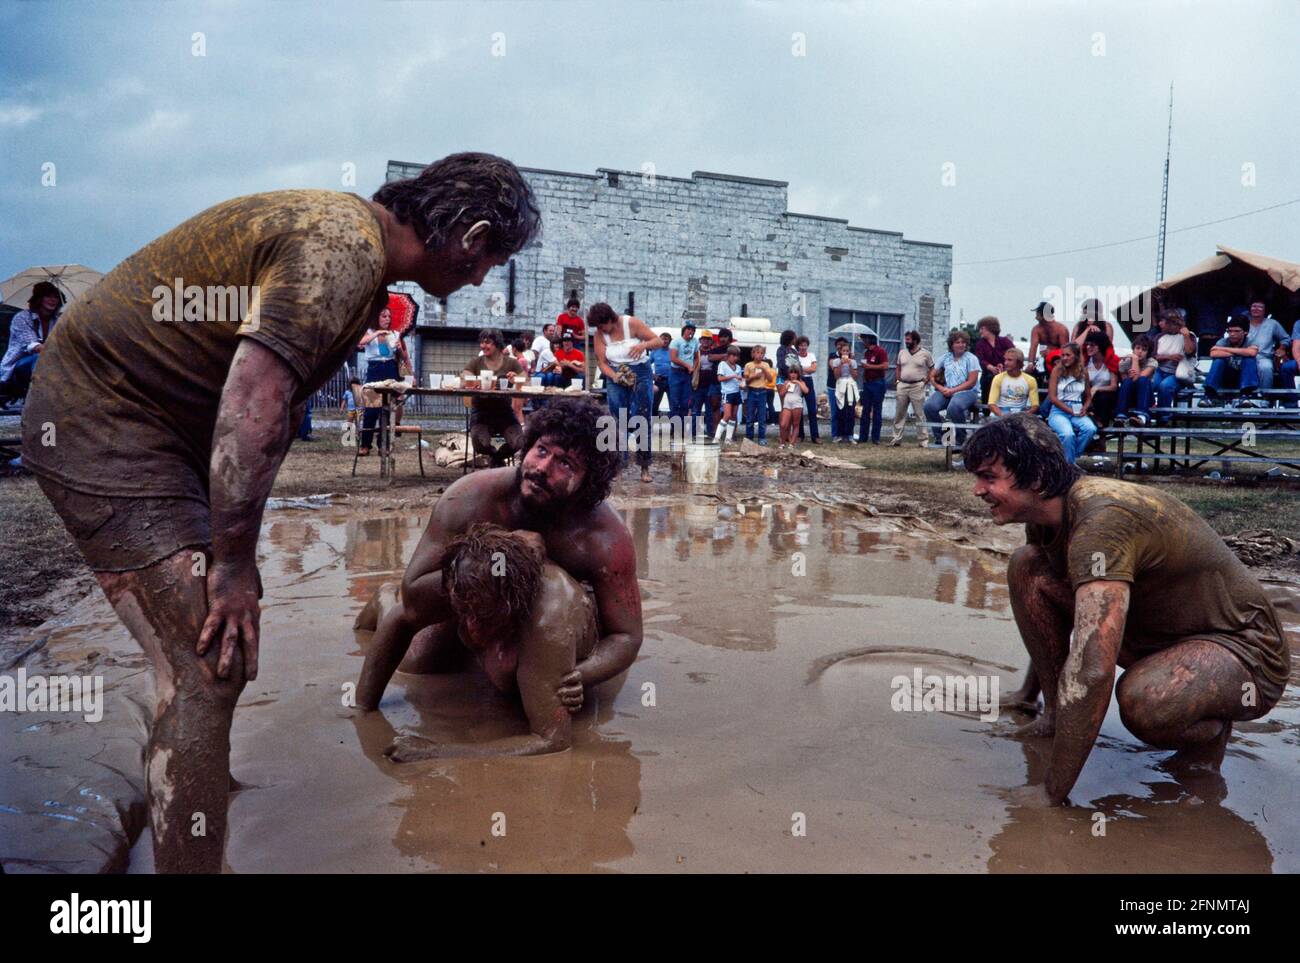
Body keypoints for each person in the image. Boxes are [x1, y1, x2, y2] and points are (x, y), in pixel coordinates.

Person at [21, 151, 540, 873]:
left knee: (196, 655)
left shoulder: (350, 241)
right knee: (209, 658)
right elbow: (253, 403)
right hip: (107, 420)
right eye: (491, 260)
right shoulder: (344, 249)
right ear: (472, 234)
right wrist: (233, 563)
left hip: (148, 423)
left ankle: (192, 794)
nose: (481, 279)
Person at [964, 414, 1289, 805]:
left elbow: (1093, 667)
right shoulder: (1047, 515)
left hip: (1244, 650)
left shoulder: (1101, 521)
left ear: (1033, 479)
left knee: (1144, 701)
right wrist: (1035, 697)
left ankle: (1209, 737)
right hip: (1156, 631)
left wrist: (1052, 792)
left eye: (988, 476)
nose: (977, 490)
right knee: (1028, 567)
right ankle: (1051, 716)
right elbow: (1059, 609)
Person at [357, 398, 644, 753]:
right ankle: (382, 599)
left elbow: (627, 637)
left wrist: (581, 674)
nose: (542, 468)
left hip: (543, 631)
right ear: (529, 443)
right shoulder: (470, 498)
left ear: (589, 483)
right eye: (541, 450)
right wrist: (503, 553)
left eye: (565, 463)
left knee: (524, 663)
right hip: (472, 604)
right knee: (416, 664)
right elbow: (414, 602)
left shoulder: (604, 539)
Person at [360, 523, 600, 759]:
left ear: (511, 603)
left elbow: (552, 741)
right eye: (464, 611)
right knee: (410, 664)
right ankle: (384, 597)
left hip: (527, 630)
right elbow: (403, 618)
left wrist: (437, 751)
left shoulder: (547, 621)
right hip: (492, 609)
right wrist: (361, 707)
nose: (472, 625)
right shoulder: (464, 578)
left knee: (504, 668)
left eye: (481, 614)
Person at [589, 302, 660, 483]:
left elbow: (658, 341)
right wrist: (614, 376)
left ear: (611, 319)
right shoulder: (600, 335)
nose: (601, 329)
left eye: (602, 325)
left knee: (642, 418)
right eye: (597, 327)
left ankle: (644, 466)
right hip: (616, 372)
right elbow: (602, 362)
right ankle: (618, 465)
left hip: (640, 372)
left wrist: (642, 346)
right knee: (617, 419)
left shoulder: (631, 323)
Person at [462, 328, 525, 466]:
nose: (483, 346)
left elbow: (526, 379)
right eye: (482, 342)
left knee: (519, 441)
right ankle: (496, 459)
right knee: (480, 443)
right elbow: (464, 376)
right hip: (481, 412)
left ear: (497, 344)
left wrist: (517, 378)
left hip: (505, 413)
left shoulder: (511, 363)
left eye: (488, 342)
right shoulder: (476, 362)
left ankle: (496, 459)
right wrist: (473, 380)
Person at [0, 281, 63, 407]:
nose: (53, 300)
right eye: (48, 296)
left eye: (56, 296)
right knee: (41, 358)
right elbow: (33, 346)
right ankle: (42, 397)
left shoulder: (59, 320)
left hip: (52, 362)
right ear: (39, 298)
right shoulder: (22, 317)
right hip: (19, 366)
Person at [923, 330, 980, 446]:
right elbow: (931, 376)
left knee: (954, 407)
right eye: (957, 342)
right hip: (947, 390)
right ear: (952, 345)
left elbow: (972, 382)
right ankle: (941, 437)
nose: (961, 345)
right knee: (929, 406)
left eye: (963, 342)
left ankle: (961, 438)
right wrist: (940, 387)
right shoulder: (945, 357)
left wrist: (952, 390)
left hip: (967, 391)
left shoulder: (971, 358)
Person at [1045, 342, 1095, 463]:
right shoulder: (1057, 371)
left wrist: (1085, 407)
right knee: (1068, 435)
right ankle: (1070, 466)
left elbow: (1088, 396)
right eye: (1063, 355)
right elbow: (1052, 397)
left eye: (1068, 355)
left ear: (1076, 356)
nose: (1064, 358)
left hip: (1077, 407)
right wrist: (1069, 411)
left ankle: (1070, 459)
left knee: (1090, 429)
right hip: (1059, 410)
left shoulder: (1083, 372)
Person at [1201, 315, 1260, 406]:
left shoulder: (1251, 341)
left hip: (1243, 378)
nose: (1232, 334)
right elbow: (1213, 353)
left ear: (1245, 332)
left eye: (1236, 331)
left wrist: (1227, 350)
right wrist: (1242, 352)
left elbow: (1252, 353)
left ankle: (1245, 396)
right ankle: (1208, 396)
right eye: (1230, 331)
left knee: (1249, 360)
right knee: (1218, 361)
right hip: (1226, 377)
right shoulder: (1223, 341)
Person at [889, 330, 932, 447]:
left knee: (920, 414)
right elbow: (898, 367)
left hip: (918, 385)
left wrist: (927, 380)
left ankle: (923, 441)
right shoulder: (902, 353)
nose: (906, 341)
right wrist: (897, 380)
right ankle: (896, 439)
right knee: (899, 413)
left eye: (908, 339)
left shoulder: (925, 354)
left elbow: (932, 368)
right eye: (906, 339)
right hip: (902, 385)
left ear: (915, 340)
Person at [1152, 309, 1196, 412]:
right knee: (1150, 384)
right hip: (1160, 370)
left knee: (1165, 386)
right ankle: (1147, 412)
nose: (1160, 323)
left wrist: (1186, 336)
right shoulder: (1159, 337)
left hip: (1177, 374)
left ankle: (1163, 417)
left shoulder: (1189, 336)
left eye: (1162, 321)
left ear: (1171, 323)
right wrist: (1168, 357)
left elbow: (1190, 352)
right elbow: (1153, 356)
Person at [1242, 299, 1288, 390]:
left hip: (1264, 357)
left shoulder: (1272, 323)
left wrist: (1282, 348)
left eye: (1260, 307)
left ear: (1265, 310)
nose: (1256, 309)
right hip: (1244, 356)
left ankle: (1264, 398)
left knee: (1266, 368)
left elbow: (1285, 338)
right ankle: (1243, 398)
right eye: (1254, 306)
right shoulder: (1243, 322)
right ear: (1250, 309)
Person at [1113, 334, 1157, 427]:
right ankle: (1121, 416)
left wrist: (1135, 360)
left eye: (1144, 350)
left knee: (1143, 380)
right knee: (1127, 382)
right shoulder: (1124, 363)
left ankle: (1142, 417)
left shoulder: (1152, 362)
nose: (1140, 352)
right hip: (1130, 397)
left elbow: (1138, 378)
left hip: (1146, 398)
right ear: (1133, 348)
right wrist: (1133, 361)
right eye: (1138, 348)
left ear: (1148, 352)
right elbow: (1126, 383)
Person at [359, 306, 409, 383]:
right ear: (376, 318)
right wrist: (377, 332)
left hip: (390, 367)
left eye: (389, 316)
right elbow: (362, 341)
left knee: (391, 393)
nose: (387, 319)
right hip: (374, 367)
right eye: (384, 316)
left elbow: (403, 357)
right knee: (373, 392)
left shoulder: (394, 334)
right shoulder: (369, 332)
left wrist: (399, 348)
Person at [972, 315, 1015, 403]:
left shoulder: (1005, 341)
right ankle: (987, 411)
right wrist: (990, 367)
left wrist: (1004, 365)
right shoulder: (980, 344)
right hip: (988, 376)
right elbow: (979, 359)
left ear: (989, 328)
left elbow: (1014, 354)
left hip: (1006, 374)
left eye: (982, 328)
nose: (980, 331)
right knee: (988, 382)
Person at [987, 348, 1039, 417]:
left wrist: (1024, 415)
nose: (1006, 363)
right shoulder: (998, 378)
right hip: (1001, 410)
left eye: (1010, 360)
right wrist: (1003, 416)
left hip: (1020, 412)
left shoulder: (1030, 380)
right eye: (1005, 360)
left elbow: (1035, 405)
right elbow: (991, 404)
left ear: (1019, 362)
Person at [857, 334, 890, 444]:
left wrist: (870, 367)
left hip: (878, 383)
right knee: (865, 410)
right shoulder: (866, 353)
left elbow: (885, 366)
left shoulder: (880, 351)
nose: (862, 342)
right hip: (867, 383)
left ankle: (875, 438)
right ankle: (863, 437)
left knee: (877, 410)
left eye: (863, 340)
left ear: (868, 340)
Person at [1082, 331, 1117, 426]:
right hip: (1090, 396)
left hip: (1108, 395)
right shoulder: (1086, 362)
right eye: (1087, 345)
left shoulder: (1111, 361)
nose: (1088, 347)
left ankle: (1100, 423)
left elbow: (1114, 386)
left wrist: (1097, 388)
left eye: (1092, 345)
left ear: (1100, 346)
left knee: (1103, 397)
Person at [829, 340, 860, 443]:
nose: (845, 353)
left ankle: (850, 434)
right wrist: (841, 365)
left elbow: (855, 377)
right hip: (840, 385)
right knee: (840, 411)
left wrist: (850, 365)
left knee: (850, 411)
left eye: (847, 351)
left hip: (850, 385)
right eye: (844, 351)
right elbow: (836, 376)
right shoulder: (836, 361)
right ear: (840, 352)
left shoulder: (853, 361)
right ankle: (839, 434)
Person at [742, 344, 774, 445]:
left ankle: (762, 438)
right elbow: (745, 381)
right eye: (757, 353)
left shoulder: (766, 365)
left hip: (762, 392)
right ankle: (749, 438)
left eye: (762, 353)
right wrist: (753, 376)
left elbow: (770, 379)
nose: (760, 355)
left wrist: (764, 370)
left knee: (762, 417)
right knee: (750, 417)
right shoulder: (748, 365)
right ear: (753, 354)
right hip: (751, 391)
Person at [668, 322, 699, 421]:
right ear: (684, 330)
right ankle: (675, 428)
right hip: (676, 373)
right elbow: (673, 358)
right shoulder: (676, 341)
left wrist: (693, 367)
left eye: (693, 330)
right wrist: (687, 365)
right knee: (675, 401)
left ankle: (682, 428)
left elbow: (696, 357)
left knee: (686, 402)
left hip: (688, 374)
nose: (691, 332)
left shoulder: (695, 341)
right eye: (689, 329)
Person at [713, 344, 743, 444]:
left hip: (736, 392)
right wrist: (733, 376)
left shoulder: (738, 367)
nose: (735, 358)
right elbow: (720, 378)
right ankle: (716, 438)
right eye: (733, 356)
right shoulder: (722, 364)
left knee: (734, 416)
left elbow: (738, 380)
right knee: (727, 415)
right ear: (728, 355)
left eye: (737, 356)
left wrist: (742, 384)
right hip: (727, 393)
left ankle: (728, 439)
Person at [792, 335, 820, 443]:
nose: (803, 347)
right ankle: (800, 435)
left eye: (805, 345)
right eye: (801, 345)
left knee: (812, 409)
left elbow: (814, 369)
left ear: (807, 346)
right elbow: (794, 370)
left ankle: (815, 436)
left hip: (808, 381)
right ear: (798, 346)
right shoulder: (795, 356)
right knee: (799, 408)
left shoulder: (811, 355)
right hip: (798, 381)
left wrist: (801, 369)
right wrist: (804, 370)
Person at [691, 330, 718, 436]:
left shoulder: (714, 352)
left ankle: (710, 432)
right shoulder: (695, 352)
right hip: (698, 385)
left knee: (709, 410)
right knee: (696, 410)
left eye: (708, 339)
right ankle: (694, 432)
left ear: (711, 341)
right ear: (700, 340)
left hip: (710, 385)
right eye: (704, 339)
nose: (705, 341)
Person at [779, 360, 807, 449]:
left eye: (795, 372)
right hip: (787, 404)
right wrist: (786, 388)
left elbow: (806, 391)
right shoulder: (787, 382)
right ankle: (783, 443)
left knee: (795, 424)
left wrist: (798, 382)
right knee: (784, 424)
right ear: (789, 374)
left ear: (798, 374)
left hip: (797, 405)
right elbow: (781, 394)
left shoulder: (801, 382)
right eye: (791, 372)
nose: (793, 374)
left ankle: (792, 443)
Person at [826, 336, 849, 439]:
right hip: (833, 386)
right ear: (836, 346)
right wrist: (841, 360)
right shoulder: (832, 355)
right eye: (838, 344)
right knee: (835, 411)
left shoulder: (849, 357)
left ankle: (845, 433)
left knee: (845, 411)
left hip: (845, 386)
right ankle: (835, 434)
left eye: (843, 344)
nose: (840, 346)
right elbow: (832, 366)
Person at [650, 331, 673, 415]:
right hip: (659, 381)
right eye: (662, 339)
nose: (664, 341)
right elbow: (647, 365)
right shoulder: (655, 351)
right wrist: (652, 376)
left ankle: (673, 426)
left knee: (673, 405)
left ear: (670, 341)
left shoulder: (673, 351)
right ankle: (653, 425)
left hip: (671, 381)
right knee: (654, 405)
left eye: (667, 339)